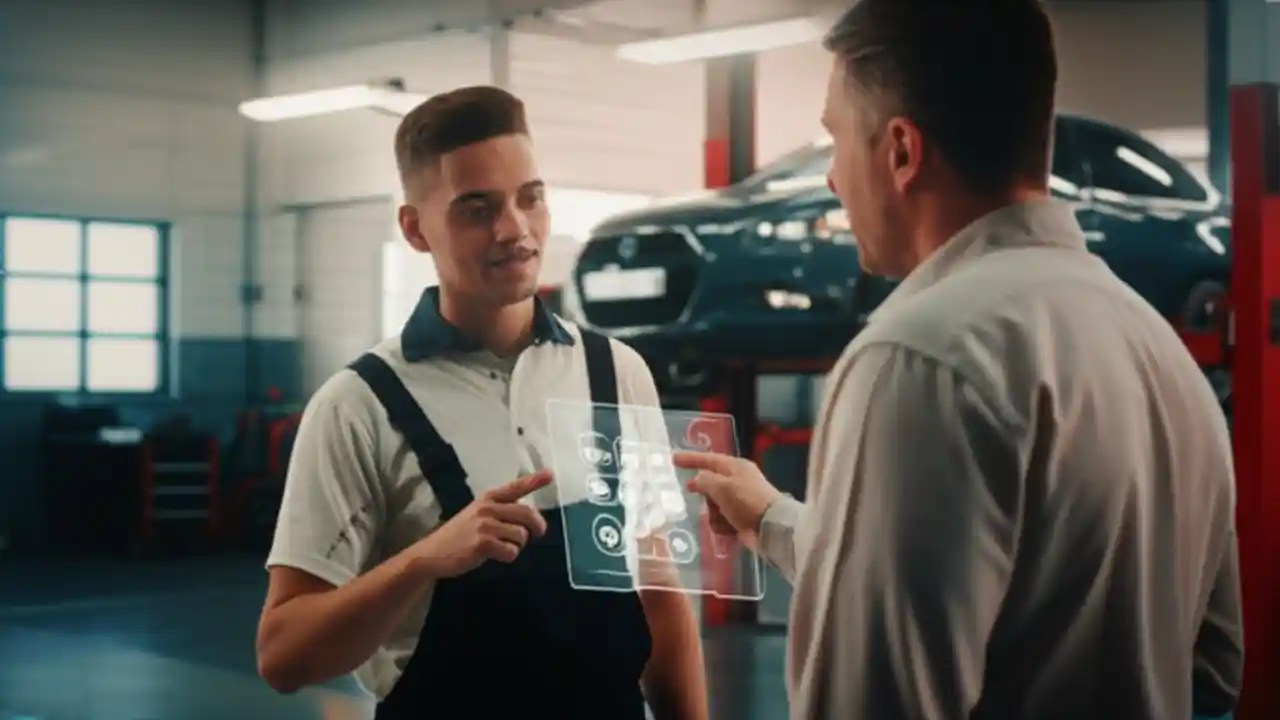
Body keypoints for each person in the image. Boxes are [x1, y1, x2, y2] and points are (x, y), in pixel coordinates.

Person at [675, 1, 1244, 718]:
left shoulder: (919, 357)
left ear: (902, 152)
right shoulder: (1161, 355)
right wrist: (771, 521)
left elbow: (872, 698)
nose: (830, 180)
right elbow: (1214, 675)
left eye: (836, 140)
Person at [256, 85, 708, 720]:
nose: (515, 230)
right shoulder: (357, 407)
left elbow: (659, 598)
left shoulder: (617, 374)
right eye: (477, 208)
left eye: (531, 198)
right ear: (416, 229)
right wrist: (423, 561)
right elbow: (283, 657)